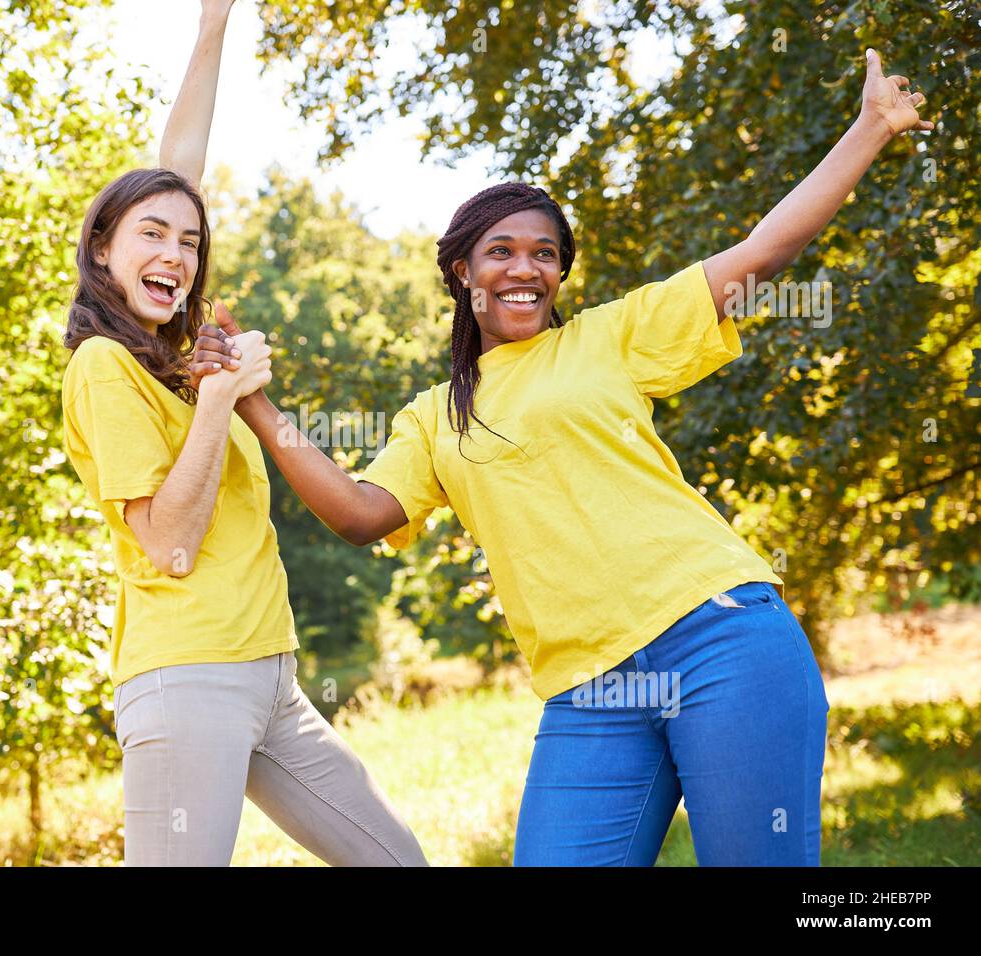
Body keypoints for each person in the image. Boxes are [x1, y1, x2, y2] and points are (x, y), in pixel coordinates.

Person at [194, 47, 932, 865]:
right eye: (502, 250)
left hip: (720, 638)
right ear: (461, 271)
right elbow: (360, 514)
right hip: (590, 693)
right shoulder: (434, 417)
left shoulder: (611, 336)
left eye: (545, 253)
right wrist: (253, 403)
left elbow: (760, 256)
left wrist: (869, 129)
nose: (525, 268)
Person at [59, 0, 426, 867]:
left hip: (271, 677)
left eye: (191, 243)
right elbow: (171, 546)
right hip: (187, 679)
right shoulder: (104, 368)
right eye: (151, 236)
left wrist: (212, 25)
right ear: (103, 248)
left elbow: (174, 173)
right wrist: (224, 400)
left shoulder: (169, 363)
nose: (176, 254)